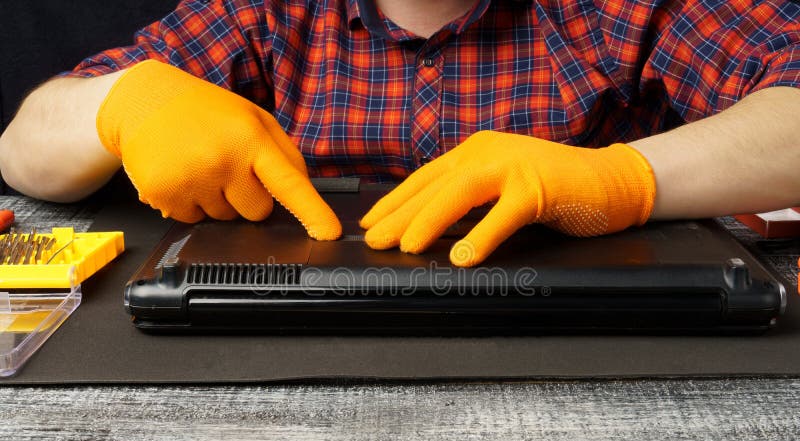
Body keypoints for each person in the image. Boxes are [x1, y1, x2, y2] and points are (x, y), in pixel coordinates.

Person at [0, 0, 798, 266]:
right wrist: (125, 104)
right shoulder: (263, 13)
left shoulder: (608, 8)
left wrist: (620, 180)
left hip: (589, 357)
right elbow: (22, 147)